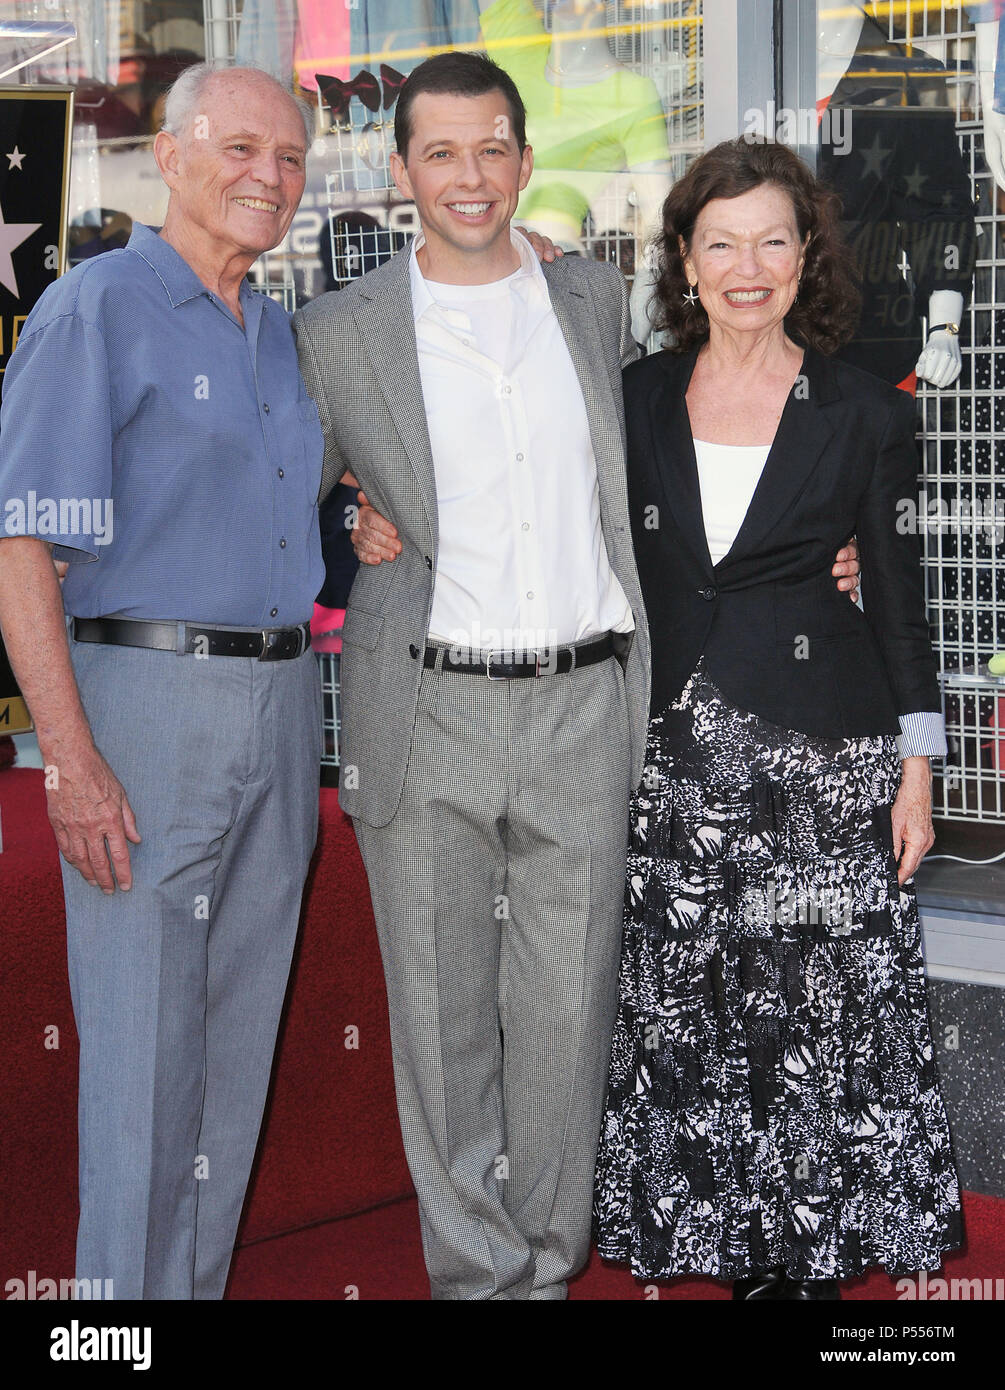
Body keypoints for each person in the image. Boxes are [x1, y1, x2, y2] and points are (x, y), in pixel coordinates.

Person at [317, 53, 863, 1300]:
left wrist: (809, 551)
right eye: (441, 152)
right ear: (402, 171)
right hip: (431, 705)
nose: (471, 174)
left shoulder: (590, 304)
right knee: (445, 1027)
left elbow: (687, 465)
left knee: (569, 1019)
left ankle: (548, 1271)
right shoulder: (336, 332)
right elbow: (279, 500)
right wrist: (355, 525)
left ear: (522, 160)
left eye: (494, 146)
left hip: (585, 705)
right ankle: (476, 1279)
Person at [592, 137, 962, 1299]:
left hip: (821, 756)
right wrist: (374, 528)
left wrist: (921, 763)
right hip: (673, 760)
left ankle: (813, 1251)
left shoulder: (860, 410)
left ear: (807, 257)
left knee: (817, 1002)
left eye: (772, 241)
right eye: (720, 243)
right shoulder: (633, 397)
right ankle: (721, 1237)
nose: (747, 268)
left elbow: (902, 598)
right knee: (695, 1000)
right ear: (684, 262)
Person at [0, 64, 325, 1300]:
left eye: (291, 158)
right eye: (241, 147)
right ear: (172, 157)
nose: (270, 177)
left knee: (234, 1057)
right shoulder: (97, 308)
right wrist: (67, 757)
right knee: (142, 1066)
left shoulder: (277, 328)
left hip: (286, 712)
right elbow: (22, 540)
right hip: (140, 709)